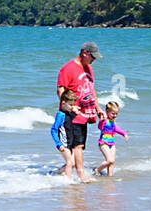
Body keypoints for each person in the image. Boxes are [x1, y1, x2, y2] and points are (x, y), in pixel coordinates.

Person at [56, 42, 102, 183]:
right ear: (84, 53)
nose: (93, 60)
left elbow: (90, 89)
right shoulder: (68, 68)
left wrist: (98, 108)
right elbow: (60, 91)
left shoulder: (88, 68)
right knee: (77, 145)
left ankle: (59, 173)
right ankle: (80, 173)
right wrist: (70, 108)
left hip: (84, 113)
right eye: (92, 57)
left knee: (79, 145)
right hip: (70, 114)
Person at [92, 101, 129, 176]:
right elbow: (100, 127)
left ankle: (110, 176)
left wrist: (124, 134)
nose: (115, 115)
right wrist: (102, 121)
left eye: (116, 114)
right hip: (103, 143)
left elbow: (116, 128)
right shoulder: (104, 120)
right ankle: (97, 170)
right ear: (107, 111)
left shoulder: (112, 121)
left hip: (112, 143)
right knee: (109, 160)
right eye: (113, 113)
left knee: (112, 162)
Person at [50, 86, 77, 175]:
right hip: (63, 144)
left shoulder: (70, 113)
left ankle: (57, 173)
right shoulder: (60, 115)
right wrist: (59, 144)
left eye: (73, 105)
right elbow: (53, 130)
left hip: (71, 143)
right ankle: (68, 182)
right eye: (70, 105)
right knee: (70, 162)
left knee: (73, 164)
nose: (72, 107)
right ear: (63, 103)